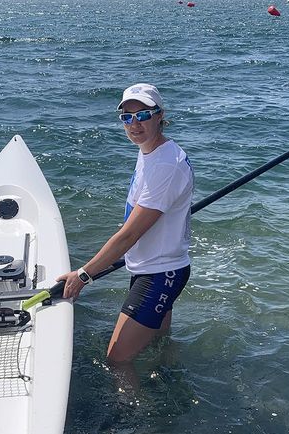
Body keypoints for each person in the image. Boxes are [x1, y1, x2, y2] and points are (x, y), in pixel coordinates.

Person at [58, 83, 194, 369]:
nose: (134, 124)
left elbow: (129, 234)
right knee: (158, 343)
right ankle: (167, 380)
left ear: (160, 115)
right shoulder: (151, 151)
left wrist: (83, 275)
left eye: (143, 115)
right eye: (127, 117)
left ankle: (137, 399)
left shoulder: (166, 165)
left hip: (160, 273)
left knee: (117, 361)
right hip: (153, 267)